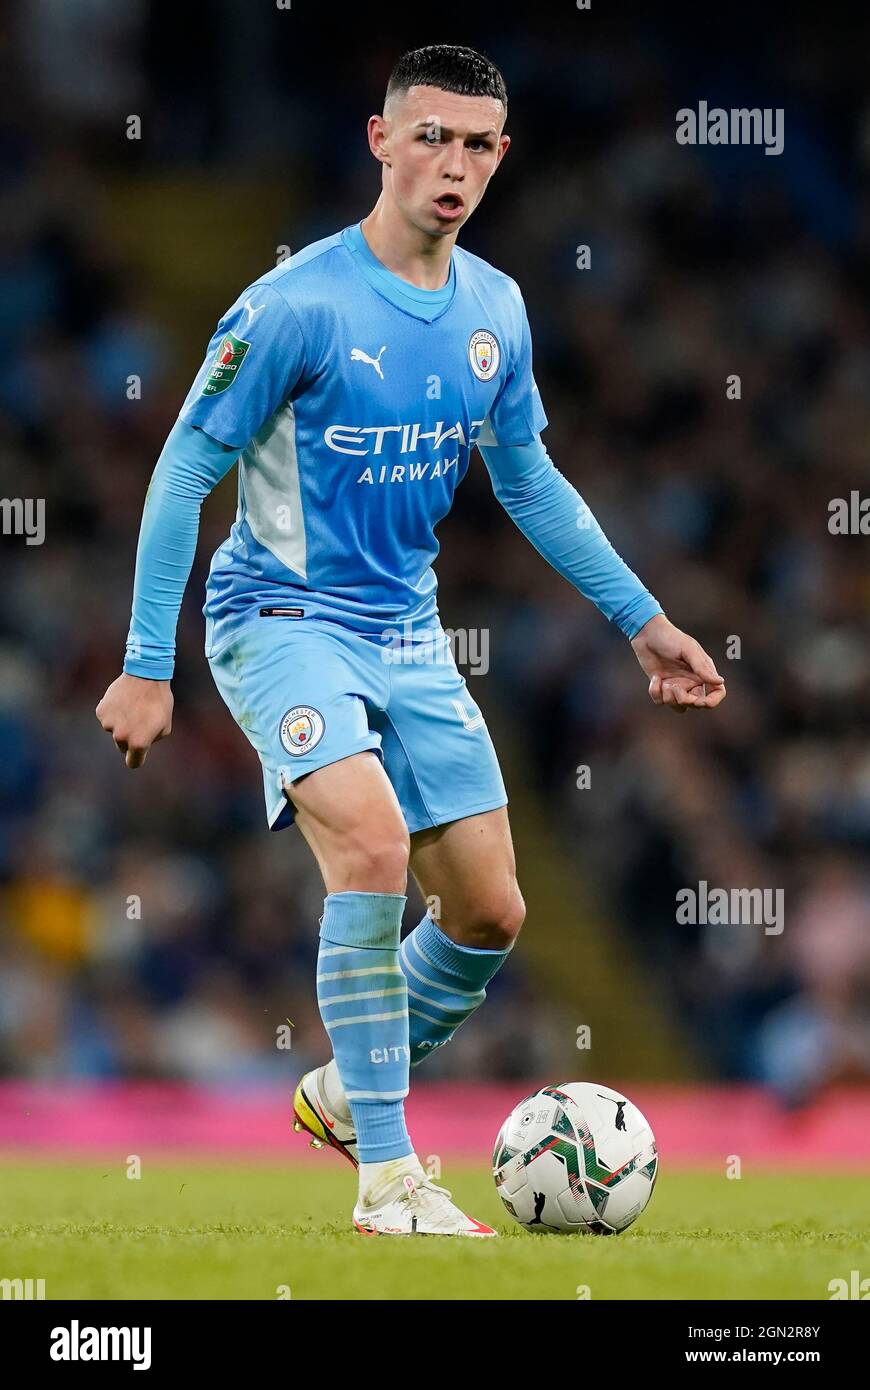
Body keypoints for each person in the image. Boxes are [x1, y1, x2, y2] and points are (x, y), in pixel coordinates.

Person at [96, 44, 725, 1236]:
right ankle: (389, 1178)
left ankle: (345, 1089)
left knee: (491, 913)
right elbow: (185, 464)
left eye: (479, 142)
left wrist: (643, 621)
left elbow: (530, 477)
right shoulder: (294, 305)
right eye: (431, 135)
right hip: (280, 620)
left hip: (406, 632)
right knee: (372, 845)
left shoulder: (496, 307)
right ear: (379, 141)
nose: (455, 162)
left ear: (501, 157)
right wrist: (144, 658)